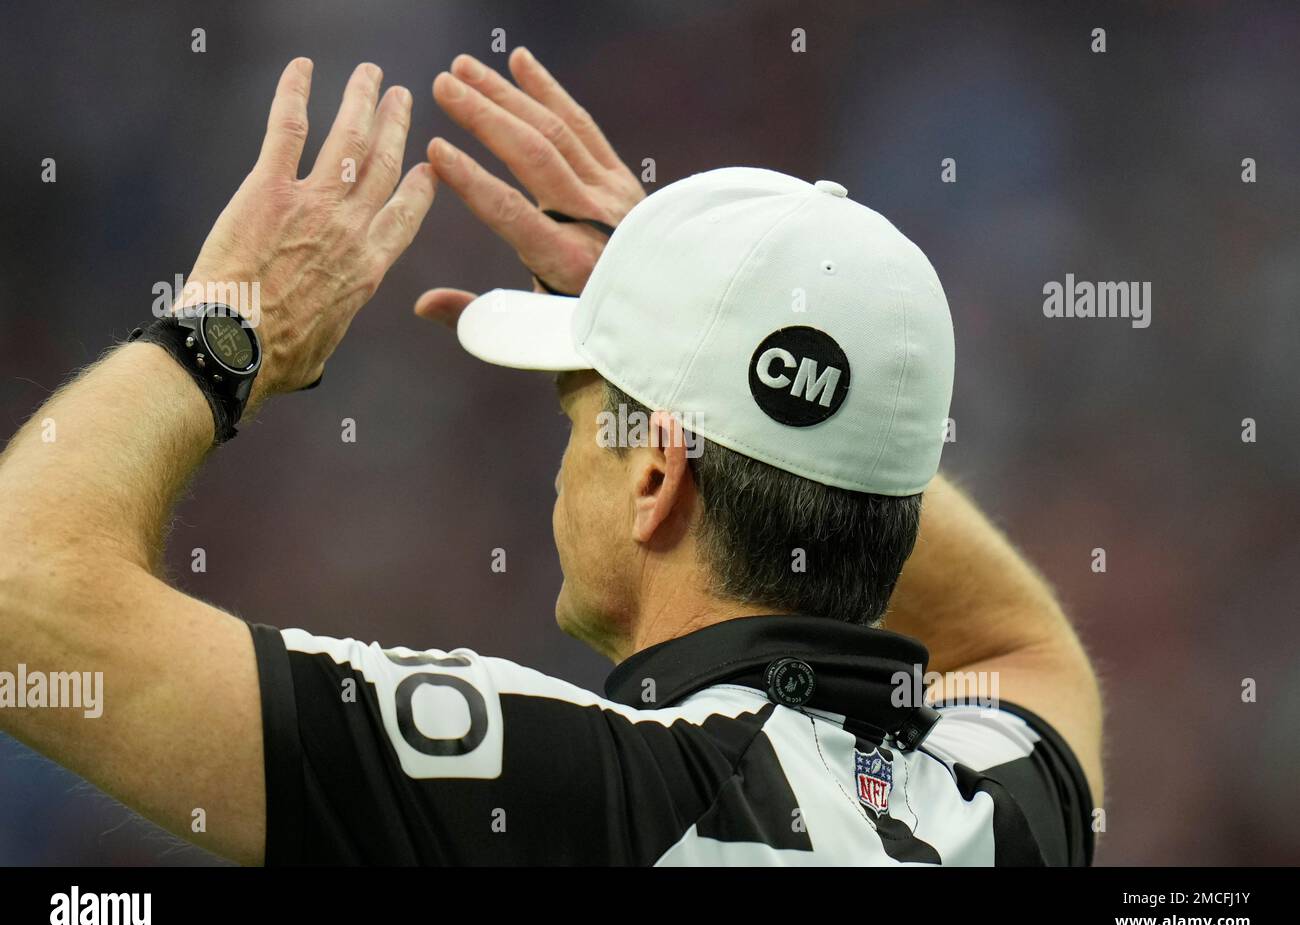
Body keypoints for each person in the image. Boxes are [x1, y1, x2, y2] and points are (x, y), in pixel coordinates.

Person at [0, 51, 1102, 866]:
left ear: (658, 477)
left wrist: (224, 333)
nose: (562, 456)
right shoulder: (1001, 803)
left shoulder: (585, 790)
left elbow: (20, 601)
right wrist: (727, 331)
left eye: (579, 406)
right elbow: (1017, 632)